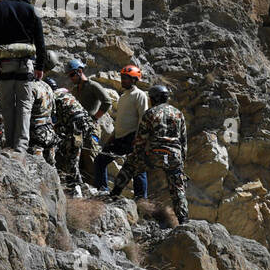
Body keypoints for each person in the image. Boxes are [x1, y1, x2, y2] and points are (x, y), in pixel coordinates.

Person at [108, 84, 187, 222]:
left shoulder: (150, 113)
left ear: (153, 98)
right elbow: (183, 141)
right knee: (177, 188)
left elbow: (140, 140)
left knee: (129, 166)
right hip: (175, 156)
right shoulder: (178, 114)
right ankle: (183, 219)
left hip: (154, 153)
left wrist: (135, 156)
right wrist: (181, 164)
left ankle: (114, 195)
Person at [0, 0, 46, 152]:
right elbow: (40, 41)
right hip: (26, 64)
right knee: (25, 105)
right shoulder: (31, 9)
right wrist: (40, 66)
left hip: (4, 64)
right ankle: (21, 146)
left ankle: (9, 144)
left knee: (7, 105)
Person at [93, 64, 148, 197]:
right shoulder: (123, 96)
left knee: (138, 169)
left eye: (126, 78)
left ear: (134, 80)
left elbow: (143, 118)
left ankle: (141, 200)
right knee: (100, 160)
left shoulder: (139, 95)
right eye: (122, 77)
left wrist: (139, 139)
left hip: (132, 138)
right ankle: (103, 191)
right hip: (119, 138)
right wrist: (113, 136)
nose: (123, 80)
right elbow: (121, 120)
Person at [52, 82, 99, 196]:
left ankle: (75, 187)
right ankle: (79, 184)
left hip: (75, 126)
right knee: (74, 154)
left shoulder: (53, 96)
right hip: (85, 125)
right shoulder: (66, 94)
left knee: (72, 156)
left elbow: (55, 119)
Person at [27, 75, 57, 162]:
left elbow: (25, 112)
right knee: (51, 165)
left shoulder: (30, 87)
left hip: (36, 133)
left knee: (36, 165)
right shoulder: (47, 86)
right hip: (49, 131)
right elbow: (53, 111)